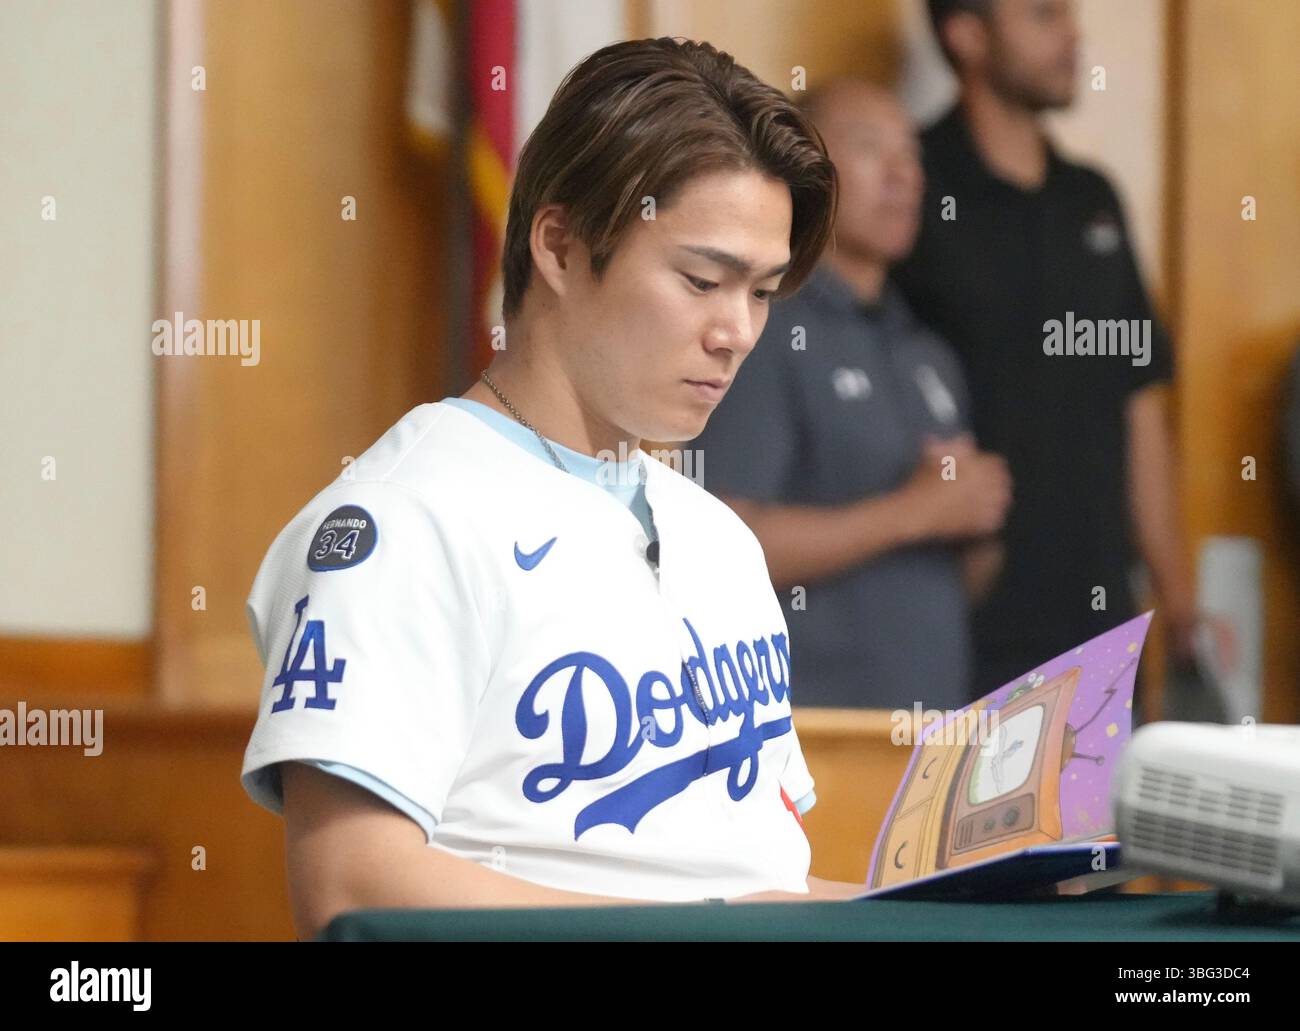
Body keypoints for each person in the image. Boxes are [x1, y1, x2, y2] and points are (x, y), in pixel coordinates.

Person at [239, 37, 864, 940]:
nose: (737, 332)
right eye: (701, 280)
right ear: (562, 247)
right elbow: (350, 887)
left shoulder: (718, 536)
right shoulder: (399, 521)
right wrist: (713, 924)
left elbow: (759, 881)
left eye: (763, 292)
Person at [892, 0, 1201, 700]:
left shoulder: (1092, 199)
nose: (1073, 34)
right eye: (1042, 15)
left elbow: (1138, 403)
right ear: (967, 35)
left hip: (1099, 616)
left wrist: (1176, 591)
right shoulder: (911, 190)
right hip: (964, 616)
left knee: (1102, 811)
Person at [688, 79, 1011, 709]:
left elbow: (954, 566)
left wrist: (976, 518)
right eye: (871, 148)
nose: (904, 175)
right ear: (807, 170)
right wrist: (915, 512)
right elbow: (721, 545)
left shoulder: (929, 352)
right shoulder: (764, 328)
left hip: (929, 733)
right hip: (804, 740)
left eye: (912, 154)